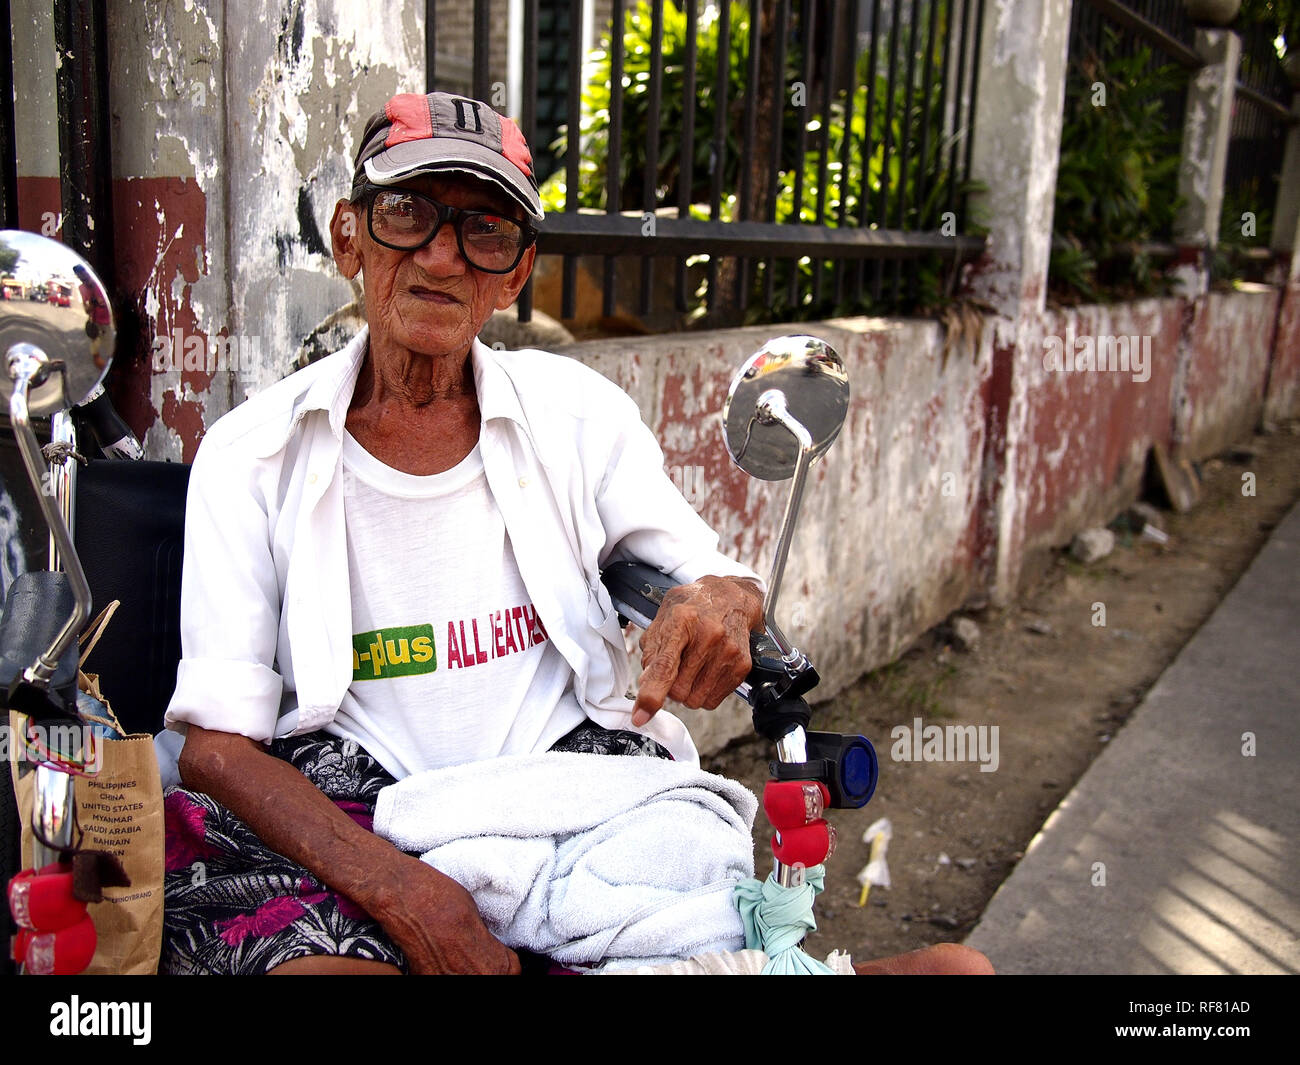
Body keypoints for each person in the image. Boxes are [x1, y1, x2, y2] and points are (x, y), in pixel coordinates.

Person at [160, 91, 991, 976]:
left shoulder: (577, 413)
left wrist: (719, 599)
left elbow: (711, 576)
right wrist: (402, 887)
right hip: (360, 805)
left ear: (514, 275)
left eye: (484, 231)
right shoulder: (250, 453)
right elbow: (215, 746)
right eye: (408, 213)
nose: (442, 256)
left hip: (569, 790)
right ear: (349, 237)